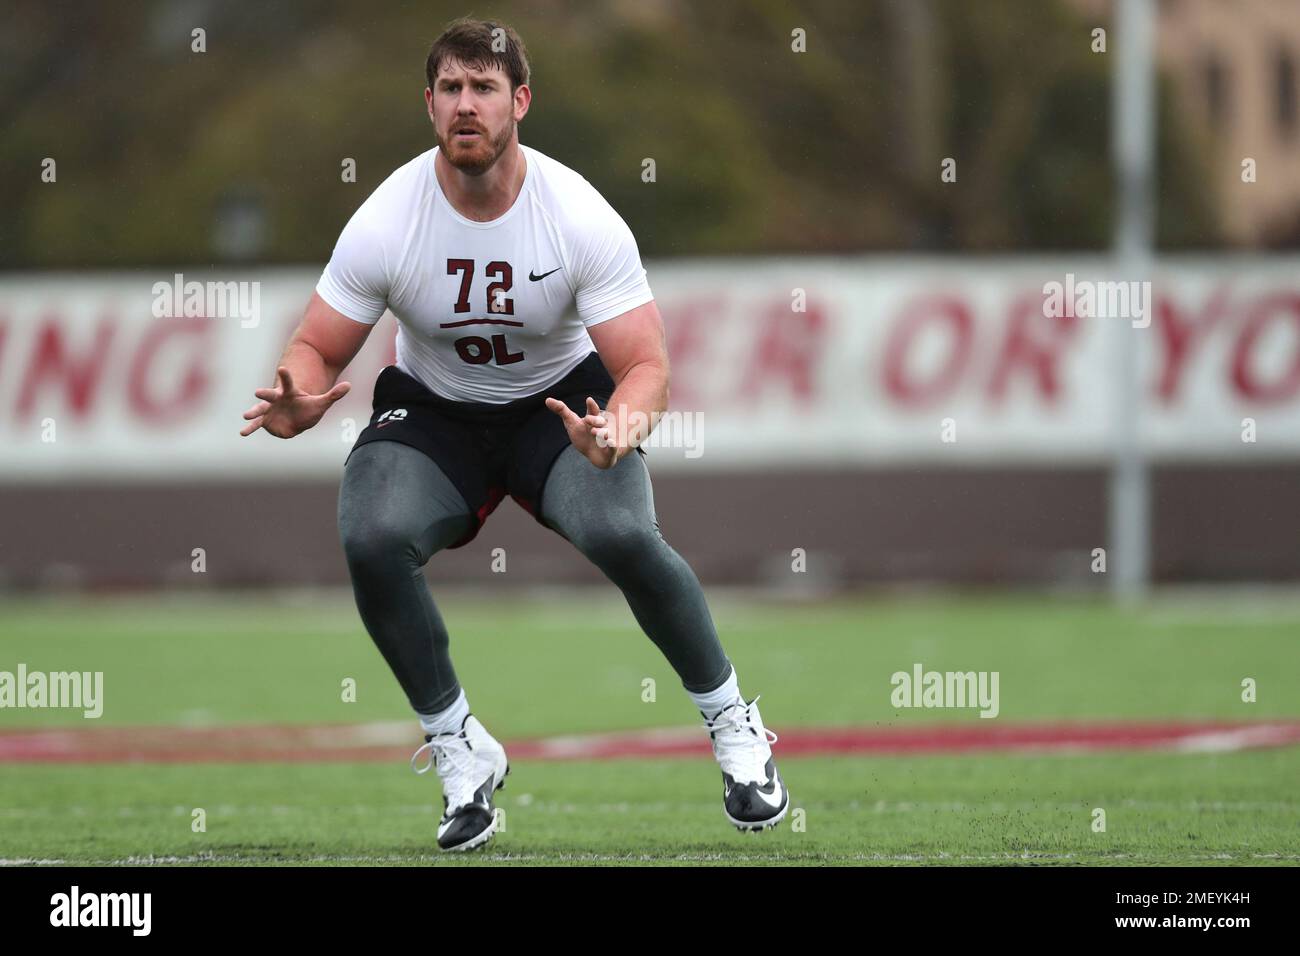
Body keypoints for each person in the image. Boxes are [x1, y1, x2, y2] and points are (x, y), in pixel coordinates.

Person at [239, 16, 786, 851]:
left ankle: (735, 727)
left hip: (557, 408)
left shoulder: (576, 215)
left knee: (620, 531)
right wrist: (298, 395)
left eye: (484, 88)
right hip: (437, 412)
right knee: (372, 533)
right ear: (428, 105)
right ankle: (461, 747)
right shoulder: (389, 216)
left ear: (519, 101)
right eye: (451, 88)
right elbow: (315, 347)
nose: (467, 105)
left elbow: (648, 365)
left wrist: (622, 426)